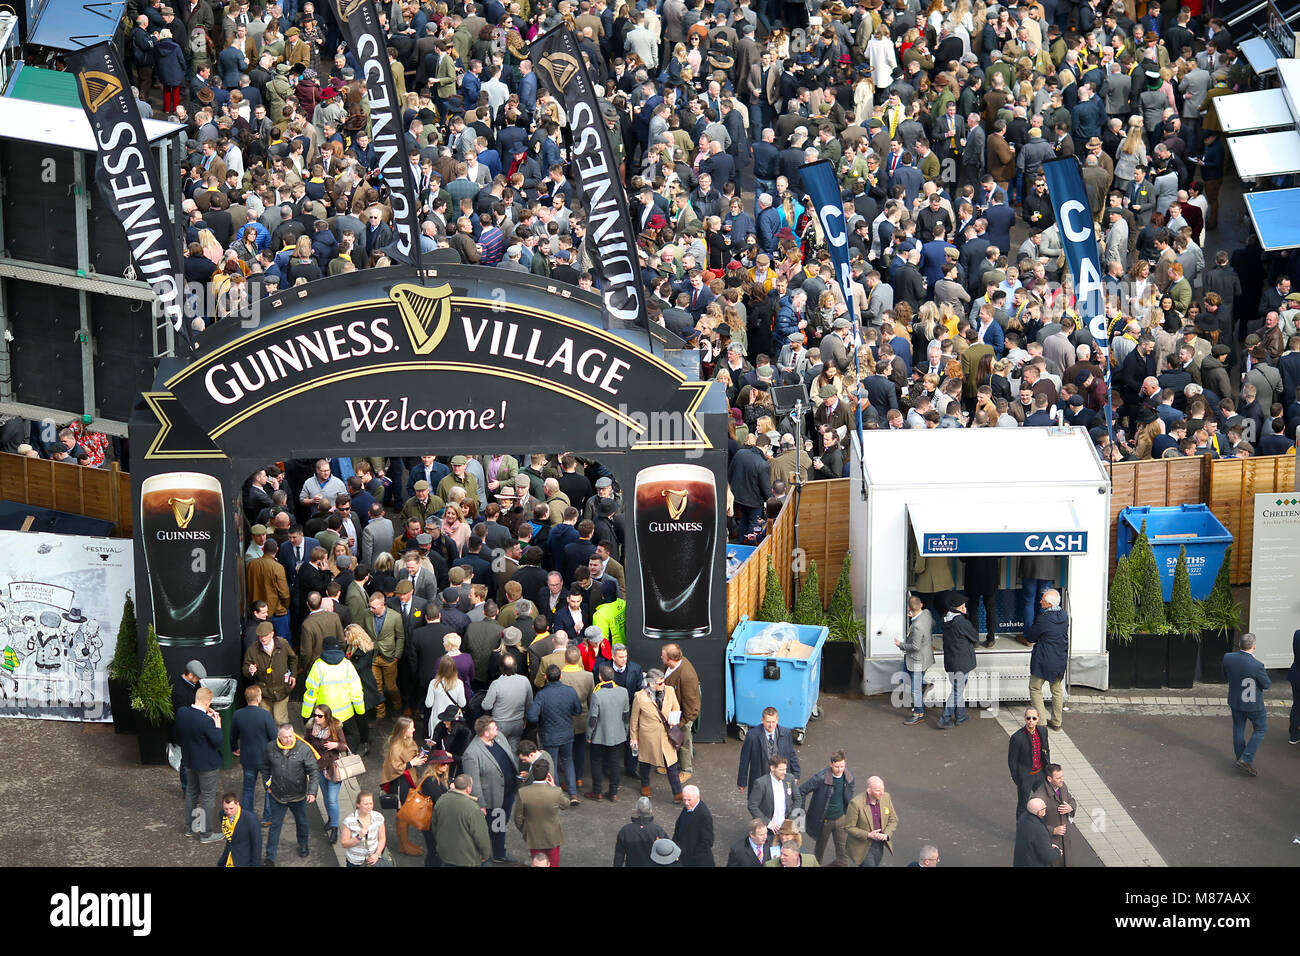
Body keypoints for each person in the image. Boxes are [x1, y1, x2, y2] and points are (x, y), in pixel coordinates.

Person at [460, 715, 519, 864]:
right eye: (494, 727)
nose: (497, 729)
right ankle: (485, 857)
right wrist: (481, 804)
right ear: (485, 733)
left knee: (500, 826)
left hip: (507, 794)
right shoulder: (472, 753)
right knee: (488, 830)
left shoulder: (499, 737)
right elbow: (474, 781)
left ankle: (499, 854)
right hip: (491, 799)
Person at [261, 722, 319, 866]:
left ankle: (303, 844)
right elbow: (265, 768)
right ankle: (270, 857)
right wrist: (267, 786)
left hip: (298, 796)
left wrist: (312, 791)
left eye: (291, 736)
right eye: (285, 737)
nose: (289, 740)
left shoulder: (303, 749)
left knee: (302, 822)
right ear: (279, 737)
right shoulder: (270, 747)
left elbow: (313, 771)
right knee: (275, 826)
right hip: (277, 796)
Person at [527, 664, 584, 803]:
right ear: (560, 676)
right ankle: (573, 794)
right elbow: (578, 710)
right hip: (567, 733)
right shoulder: (570, 691)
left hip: (549, 735)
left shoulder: (542, 695)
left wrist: (540, 721)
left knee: (552, 764)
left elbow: (531, 716)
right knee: (568, 761)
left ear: (546, 677)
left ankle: (557, 795)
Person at [300, 635, 366, 752]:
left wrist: (306, 714)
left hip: (325, 715)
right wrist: (360, 710)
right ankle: (348, 760)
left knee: (325, 740)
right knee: (350, 736)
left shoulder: (318, 666)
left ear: (324, 648)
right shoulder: (347, 665)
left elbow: (311, 693)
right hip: (346, 714)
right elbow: (356, 690)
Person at [176, 685, 224, 844]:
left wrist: (206, 714)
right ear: (208, 702)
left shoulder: (182, 713)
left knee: (191, 793)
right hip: (207, 765)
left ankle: (189, 827)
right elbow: (218, 742)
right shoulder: (206, 722)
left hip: (189, 761)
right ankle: (206, 834)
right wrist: (217, 726)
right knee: (207, 798)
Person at [629, 667, 685, 802]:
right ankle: (645, 785)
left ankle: (677, 793)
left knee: (671, 764)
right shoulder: (640, 696)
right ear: (650, 683)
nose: (663, 685)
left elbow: (676, 707)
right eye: (660, 683)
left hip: (666, 733)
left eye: (663, 681)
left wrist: (673, 719)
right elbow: (634, 719)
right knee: (645, 762)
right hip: (648, 736)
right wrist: (633, 738)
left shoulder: (670, 690)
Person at [1223, 632, 1270, 776]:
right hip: (1253, 705)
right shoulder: (1257, 665)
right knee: (1260, 729)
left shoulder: (1228, 657)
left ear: (1239, 644)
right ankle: (1246, 757)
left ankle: (1240, 758)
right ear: (1253, 647)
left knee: (1238, 729)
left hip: (1235, 701)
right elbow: (1267, 684)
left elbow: (1226, 675)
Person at [381, 716, 429, 855]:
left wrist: (420, 756)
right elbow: (395, 766)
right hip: (400, 782)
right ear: (403, 731)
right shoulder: (396, 746)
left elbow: (412, 755)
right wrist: (412, 763)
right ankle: (404, 845)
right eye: (411, 728)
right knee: (403, 813)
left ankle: (405, 842)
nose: (414, 729)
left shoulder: (408, 740)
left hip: (407, 779)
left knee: (404, 813)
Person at [798, 750, 854, 865]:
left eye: (842, 766)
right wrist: (802, 812)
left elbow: (849, 795)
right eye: (837, 766)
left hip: (841, 819)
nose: (840, 770)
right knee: (819, 852)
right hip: (824, 821)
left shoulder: (849, 777)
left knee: (843, 854)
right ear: (831, 764)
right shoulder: (820, 778)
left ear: (845, 764)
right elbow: (801, 791)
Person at [304, 703, 349, 845]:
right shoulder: (311, 727)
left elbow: (344, 745)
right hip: (319, 768)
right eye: (315, 715)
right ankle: (331, 819)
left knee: (331, 799)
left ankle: (335, 828)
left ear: (326, 717)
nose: (316, 718)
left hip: (333, 768)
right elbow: (306, 744)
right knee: (325, 797)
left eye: (319, 716)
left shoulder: (336, 726)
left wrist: (335, 745)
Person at [1024, 589, 1069, 731]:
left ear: (1049, 604)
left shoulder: (1044, 619)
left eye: (1042, 600)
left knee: (1035, 688)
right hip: (1059, 659)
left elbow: (1030, 636)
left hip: (1043, 660)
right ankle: (1056, 722)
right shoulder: (1064, 615)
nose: (1040, 601)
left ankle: (1041, 722)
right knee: (1057, 689)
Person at [586, 664, 630, 801]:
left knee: (596, 762)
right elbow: (626, 715)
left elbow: (593, 718)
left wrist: (589, 735)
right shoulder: (623, 692)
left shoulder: (597, 694)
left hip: (599, 735)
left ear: (600, 677)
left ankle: (597, 791)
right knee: (615, 763)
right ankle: (613, 792)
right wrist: (625, 730)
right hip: (617, 734)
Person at [429, 773, 493, 867]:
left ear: (454, 785)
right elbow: (481, 836)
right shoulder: (473, 808)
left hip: (445, 854)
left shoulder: (441, 800)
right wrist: (485, 854)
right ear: (468, 789)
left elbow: (434, 825)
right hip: (467, 859)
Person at [513, 761, 571, 866]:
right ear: (547, 774)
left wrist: (526, 830)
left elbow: (518, 818)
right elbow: (566, 804)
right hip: (552, 837)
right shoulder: (555, 791)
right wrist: (554, 786)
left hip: (533, 837)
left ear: (532, 774)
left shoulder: (523, 792)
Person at [937, 590, 979, 728]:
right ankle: (945, 718)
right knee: (957, 692)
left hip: (950, 663)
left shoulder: (945, 619)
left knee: (957, 690)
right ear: (959, 608)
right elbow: (975, 638)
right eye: (963, 605)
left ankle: (960, 716)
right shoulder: (962, 623)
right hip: (962, 664)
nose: (965, 607)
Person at [242, 620, 297, 724]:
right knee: (265, 720)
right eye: (260, 636)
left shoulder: (283, 644)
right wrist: (250, 670)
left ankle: (282, 739)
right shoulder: (252, 649)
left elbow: (293, 659)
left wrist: (293, 674)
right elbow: (245, 669)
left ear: (272, 634)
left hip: (281, 690)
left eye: (265, 635)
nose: (263, 639)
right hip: (264, 693)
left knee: (280, 720)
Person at [661, 642, 700, 779]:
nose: (661, 657)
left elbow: (691, 703)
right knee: (671, 740)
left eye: (663, 656)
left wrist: (682, 722)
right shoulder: (669, 666)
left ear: (671, 659)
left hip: (683, 716)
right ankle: (672, 764)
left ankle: (686, 770)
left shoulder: (686, 675)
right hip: (672, 712)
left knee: (683, 741)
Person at [736, 705, 800, 791]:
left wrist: (795, 774)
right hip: (760, 779)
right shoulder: (752, 736)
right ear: (762, 720)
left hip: (780, 779)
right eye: (768, 722)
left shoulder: (786, 734)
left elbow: (791, 754)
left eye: (773, 722)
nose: (771, 725)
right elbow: (745, 760)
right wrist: (742, 781)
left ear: (777, 720)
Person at [1031, 764, 1079, 866]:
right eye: (1058, 778)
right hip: (1051, 842)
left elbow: (1071, 799)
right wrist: (1053, 830)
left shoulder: (1062, 786)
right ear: (1049, 778)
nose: (1062, 780)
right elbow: (1033, 825)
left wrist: (1071, 807)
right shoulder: (1039, 798)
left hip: (1065, 840)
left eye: (1062, 776)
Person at [844, 775, 897, 867]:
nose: (882, 793)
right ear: (869, 790)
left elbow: (893, 819)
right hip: (863, 846)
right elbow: (848, 827)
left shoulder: (886, 797)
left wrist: (886, 835)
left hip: (879, 844)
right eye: (878, 791)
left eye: (883, 789)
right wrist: (868, 835)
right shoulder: (856, 804)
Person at [896, 596, 934, 725]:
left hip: (917, 660)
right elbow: (932, 624)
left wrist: (900, 645)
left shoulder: (917, 626)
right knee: (905, 676)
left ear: (908, 609)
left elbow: (915, 647)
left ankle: (919, 713)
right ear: (921, 605)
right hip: (926, 656)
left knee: (915, 690)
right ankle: (924, 685)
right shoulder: (927, 614)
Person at [1008, 707, 1050, 817]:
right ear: (1025, 719)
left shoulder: (1043, 731)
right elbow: (1012, 761)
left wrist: (1047, 768)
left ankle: (1041, 828)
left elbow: (1046, 749)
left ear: (1038, 719)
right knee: (1023, 805)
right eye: (1028, 718)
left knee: (1043, 802)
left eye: (1034, 718)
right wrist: (1017, 779)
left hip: (1040, 773)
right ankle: (1021, 831)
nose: (1031, 720)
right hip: (1026, 776)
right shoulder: (1017, 738)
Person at [747, 754, 800, 836]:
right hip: (768, 829)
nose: (784, 772)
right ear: (772, 768)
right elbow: (752, 805)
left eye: (785, 769)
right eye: (781, 769)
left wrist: (790, 819)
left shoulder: (790, 779)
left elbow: (797, 799)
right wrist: (768, 823)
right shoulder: (761, 783)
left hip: (785, 828)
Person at [614, 795, 669, 867]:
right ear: (651, 811)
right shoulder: (658, 831)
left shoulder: (625, 831)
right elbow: (667, 854)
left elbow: (619, 856)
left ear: (636, 811)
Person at [340, 791, 387, 867]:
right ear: (358, 804)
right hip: (355, 862)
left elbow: (382, 838)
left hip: (372, 860)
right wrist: (358, 837)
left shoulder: (378, 817)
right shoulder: (349, 821)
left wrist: (377, 854)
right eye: (366, 804)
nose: (369, 806)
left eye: (371, 803)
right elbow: (344, 844)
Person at [672, 784, 715, 866]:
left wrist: (694, 857)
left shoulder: (704, 815)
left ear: (698, 797)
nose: (686, 803)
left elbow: (707, 841)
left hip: (696, 861)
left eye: (689, 800)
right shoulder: (688, 807)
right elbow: (679, 829)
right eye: (684, 800)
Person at [1013, 797, 1061, 867]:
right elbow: (1048, 856)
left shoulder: (1023, 818)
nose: (1045, 809)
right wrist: (1057, 851)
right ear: (1039, 812)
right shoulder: (1039, 830)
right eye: (1044, 808)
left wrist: (1047, 846)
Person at [217, 793, 261, 867]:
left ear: (237, 804)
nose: (229, 812)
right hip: (228, 857)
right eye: (226, 809)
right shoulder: (222, 814)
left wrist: (255, 864)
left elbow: (257, 844)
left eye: (231, 808)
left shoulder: (250, 819)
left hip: (244, 860)